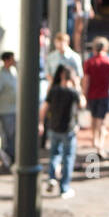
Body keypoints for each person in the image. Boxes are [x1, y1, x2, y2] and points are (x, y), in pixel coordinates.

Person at [41, 64, 85, 198]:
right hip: (68, 130)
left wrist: (40, 123)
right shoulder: (73, 92)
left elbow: (44, 108)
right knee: (68, 158)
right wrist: (78, 86)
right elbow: (83, 104)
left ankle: (52, 177)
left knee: (54, 154)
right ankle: (64, 188)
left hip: (54, 128)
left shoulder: (53, 90)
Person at [82, 37, 109, 155]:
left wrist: (84, 94)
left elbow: (86, 81)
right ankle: (99, 143)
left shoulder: (89, 62)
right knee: (101, 120)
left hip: (92, 94)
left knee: (94, 117)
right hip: (104, 94)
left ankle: (95, 139)